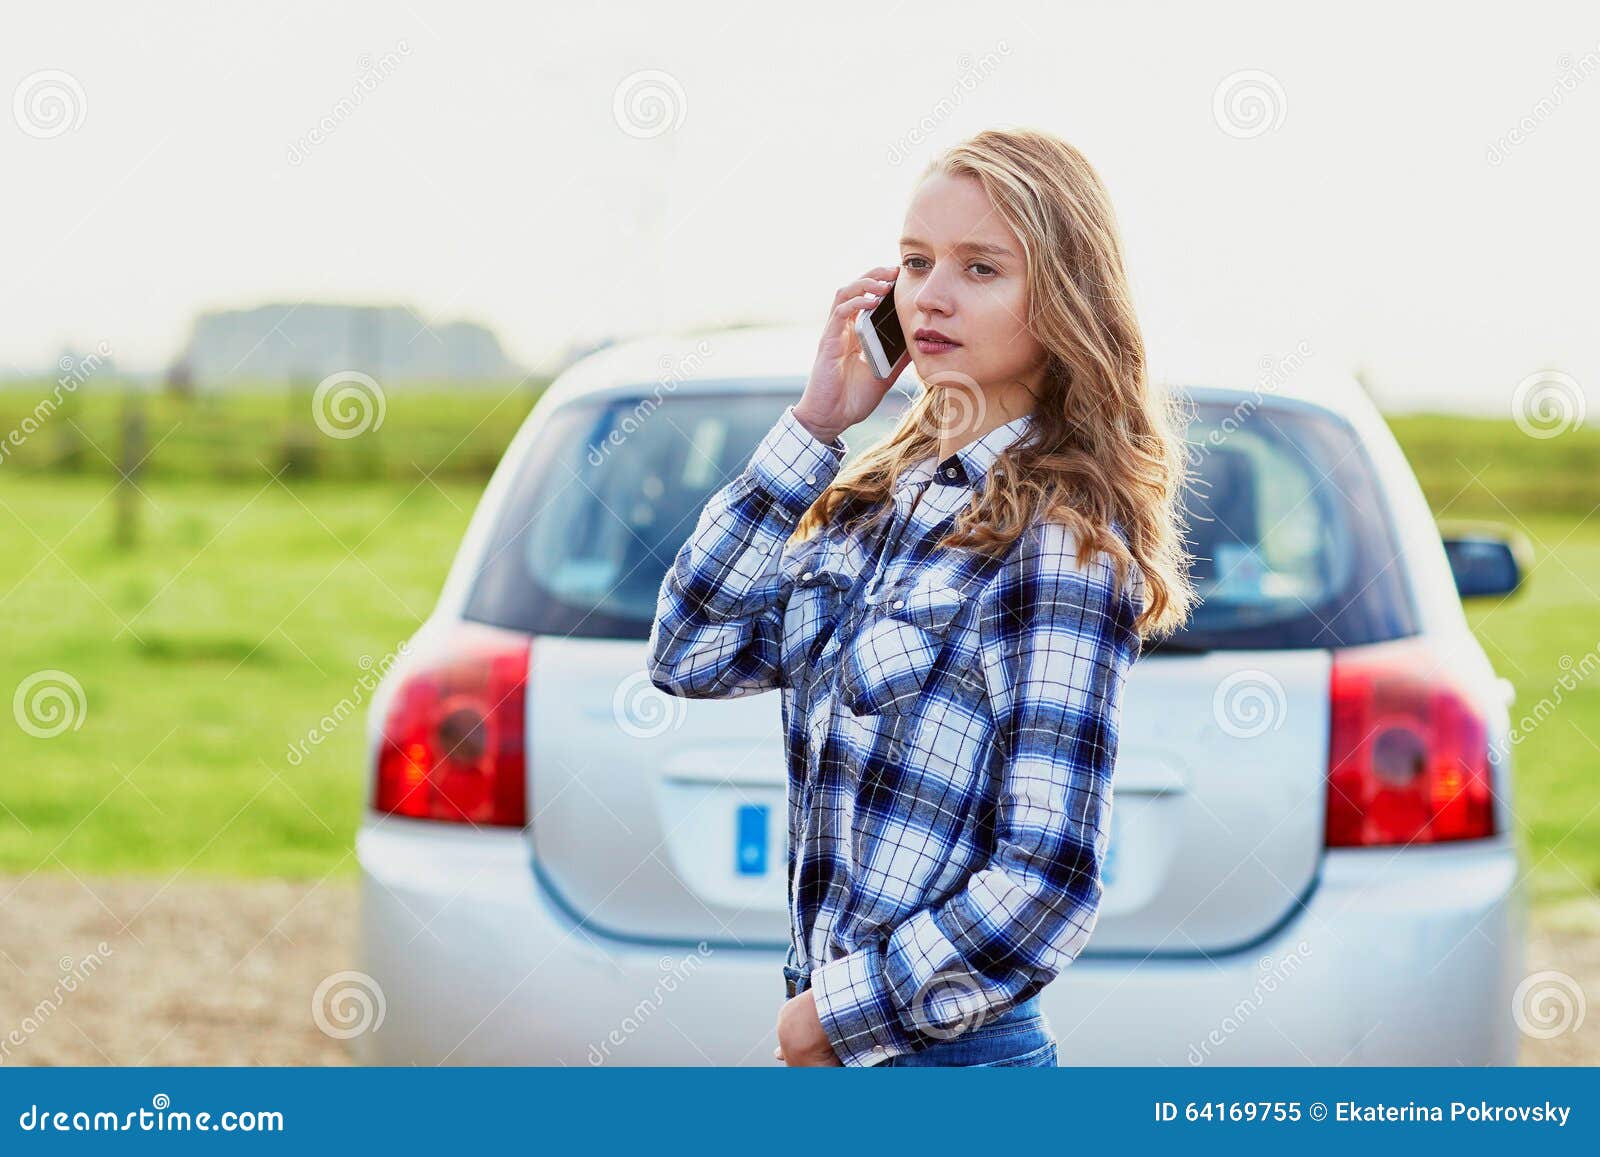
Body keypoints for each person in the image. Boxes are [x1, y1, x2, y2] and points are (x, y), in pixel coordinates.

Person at [646, 126, 1197, 1067]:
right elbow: (688, 651)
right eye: (914, 261)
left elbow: (1048, 877)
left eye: (981, 268)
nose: (931, 294)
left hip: (947, 1061)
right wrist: (816, 424)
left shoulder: (1058, 548)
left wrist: (837, 1015)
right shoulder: (874, 505)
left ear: (1063, 298)